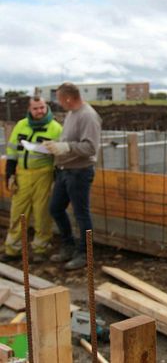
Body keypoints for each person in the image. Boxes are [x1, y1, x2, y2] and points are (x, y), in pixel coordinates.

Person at [43, 82, 102, 270]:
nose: (59, 103)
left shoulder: (88, 116)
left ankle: (85, 253)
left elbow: (90, 147)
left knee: (81, 213)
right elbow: (71, 141)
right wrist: (58, 145)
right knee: (56, 209)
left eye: (60, 99)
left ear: (68, 98)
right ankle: (68, 246)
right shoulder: (71, 114)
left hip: (79, 172)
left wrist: (66, 147)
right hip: (64, 169)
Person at [1, 97, 62, 262]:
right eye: (36, 108)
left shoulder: (55, 128)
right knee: (17, 212)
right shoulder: (21, 125)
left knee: (42, 213)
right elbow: (12, 150)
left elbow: (60, 156)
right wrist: (10, 174)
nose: (40, 111)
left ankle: (40, 249)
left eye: (42, 107)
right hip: (23, 174)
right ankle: (13, 249)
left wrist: (56, 177)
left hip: (44, 174)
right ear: (29, 109)